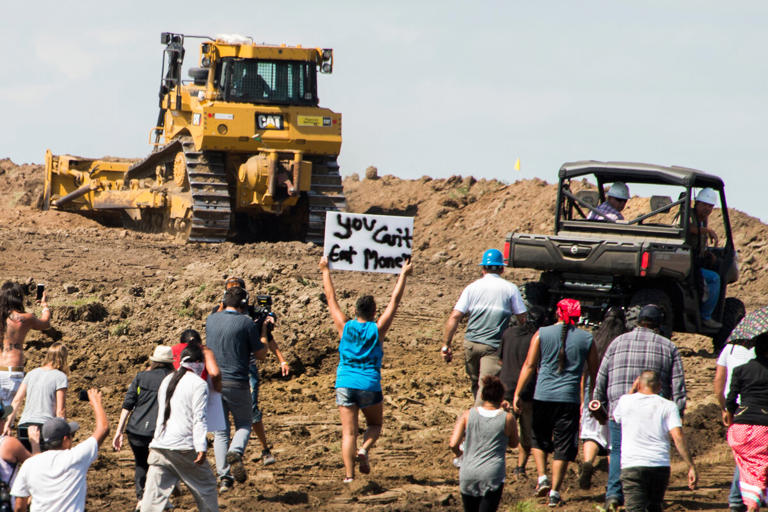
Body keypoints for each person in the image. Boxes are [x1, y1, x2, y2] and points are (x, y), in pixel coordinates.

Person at [320, 255, 413, 482]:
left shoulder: (344, 325)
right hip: (369, 383)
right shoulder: (377, 329)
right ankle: (364, 450)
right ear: (374, 313)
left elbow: (331, 298)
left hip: (345, 382)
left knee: (348, 433)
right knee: (375, 424)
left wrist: (325, 270)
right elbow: (395, 301)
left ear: (355, 311)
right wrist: (402, 275)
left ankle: (349, 477)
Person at [593, 304, 687, 511]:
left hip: (620, 406)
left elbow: (602, 373)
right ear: (658, 325)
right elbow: (678, 383)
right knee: (653, 448)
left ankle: (614, 496)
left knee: (617, 450)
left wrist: (597, 401)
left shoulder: (618, 342)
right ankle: (651, 495)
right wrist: (678, 412)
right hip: (654, 410)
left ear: (637, 322)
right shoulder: (667, 346)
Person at [513, 298, 598, 507]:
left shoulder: (541, 334)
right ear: (578, 316)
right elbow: (594, 372)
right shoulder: (587, 339)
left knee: (539, 438)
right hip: (568, 400)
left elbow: (529, 366)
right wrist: (592, 396)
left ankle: (541, 476)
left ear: (559, 314)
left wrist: (517, 393)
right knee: (563, 445)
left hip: (542, 396)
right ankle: (555, 491)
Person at [212, 277, 290, 466]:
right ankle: (236, 455)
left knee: (252, 412)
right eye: (230, 291)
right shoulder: (219, 313)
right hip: (232, 369)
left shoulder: (254, 315)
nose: (234, 294)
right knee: (232, 422)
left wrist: (282, 360)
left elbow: (269, 338)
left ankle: (262, 450)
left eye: (237, 290)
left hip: (246, 369)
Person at [441, 249, 527, 404]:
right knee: (485, 387)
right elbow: (522, 318)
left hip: (471, 345)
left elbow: (455, 316)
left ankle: (479, 414)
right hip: (493, 347)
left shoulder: (472, 288)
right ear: (502, 268)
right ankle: (479, 419)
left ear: (483, 269)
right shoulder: (510, 289)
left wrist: (446, 345)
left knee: (476, 384)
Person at [140, 345, 219, 512]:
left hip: (160, 446)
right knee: (207, 486)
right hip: (183, 447)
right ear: (198, 362)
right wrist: (201, 447)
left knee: (152, 499)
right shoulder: (198, 384)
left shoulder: (168, 380)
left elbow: (162, 413)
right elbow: (199, 418)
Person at [205, 287, 267, 491]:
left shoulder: (211, 319)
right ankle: (236, 451)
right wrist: (264, 330)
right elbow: (260, 354)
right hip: (237, 382)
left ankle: (224, 478)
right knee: (244, 424)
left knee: (221, 432)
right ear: (243, 305)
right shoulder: (246, 322)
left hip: (214, 384)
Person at [11, 388, 109, 512]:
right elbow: (103, 429)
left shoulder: (29, 464)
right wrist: (96, 402)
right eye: (71, 435)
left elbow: (19, 506)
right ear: (65, 439)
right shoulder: (76, 457)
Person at [614, 370, 697, 512]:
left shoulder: (625, 401)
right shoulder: (668, 406)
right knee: (654, 507)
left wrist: (633, 390)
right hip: (659, 465)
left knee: (635, 509)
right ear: (659, 386)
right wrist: (691, 465)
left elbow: (617, 417)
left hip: (632, 465)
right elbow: (678, 437)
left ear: (639, 384)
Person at [113, 345, 176, 510]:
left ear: (154, 361)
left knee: (141, 464)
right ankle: (162, 499)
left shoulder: (141, 376)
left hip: (136, 429)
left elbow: (128, 404)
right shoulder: (175, 378)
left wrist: (119, 431)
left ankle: (141, 499)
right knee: (162, 464)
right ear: (170, 362)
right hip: (160, 431)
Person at [450, 376, 518, 512]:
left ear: (482, 395)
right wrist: (507, 412)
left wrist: (460, 454)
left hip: (468, 472)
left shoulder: (468, 414)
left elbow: (453, 443)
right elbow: (514, 443)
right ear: (501, 397)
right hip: (492, 474)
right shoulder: (507, 418)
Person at [579, 307, 627, 490]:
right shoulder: (622, 343)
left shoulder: (594, 340)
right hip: (615, 391)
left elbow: (585, 372)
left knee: (591, 432)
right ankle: (612, 482)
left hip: (592, 390)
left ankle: (588, 462)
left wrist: (584, 399)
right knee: (612, 440)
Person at [498, 305, 547, 480]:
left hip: (504, 390)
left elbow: (500, 360)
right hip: (527, 391)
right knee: (527, 433)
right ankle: (520, 468)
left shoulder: (508, 333)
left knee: (500, 432)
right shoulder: (537, 339)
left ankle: (498, 465)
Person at [3, 342, 68, 451]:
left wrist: (7, 424)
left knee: (27, 462)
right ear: (63, 358)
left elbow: (17, 400)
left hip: (24, 426)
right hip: (45, 426)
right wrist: (64, 432)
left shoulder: (31, 374)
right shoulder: (61, 377)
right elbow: (60, 410)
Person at [715, 340, 756, 512]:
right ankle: (741, 497)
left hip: (737, 408)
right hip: (757, 408)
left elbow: (719, 380)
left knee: (743, 454)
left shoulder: (729, 348)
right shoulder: (760, 356)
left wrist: (724, 408)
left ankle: (739, 498)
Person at [0, 283, 51, 408]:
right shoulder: (26, 318)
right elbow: (46, 322)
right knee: (9, 414)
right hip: (14, 370)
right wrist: (44, 305)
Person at [688, 187, 722, 329]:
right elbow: (687, 229)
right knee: (714, 279)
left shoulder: (703, 221)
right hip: (686, 261)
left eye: (710, 206)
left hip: (695, 258)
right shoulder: (689, 215)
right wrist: (707, 231)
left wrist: (707, 253)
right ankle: (705, 316)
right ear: (697, 203)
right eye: (704, 205)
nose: (707, 209)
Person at [0, 402, 38, 511]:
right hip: (7, 506)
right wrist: (34, 442)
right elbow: (38, 466)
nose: (5, 421)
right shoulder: (8, 444)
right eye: (3, 419)